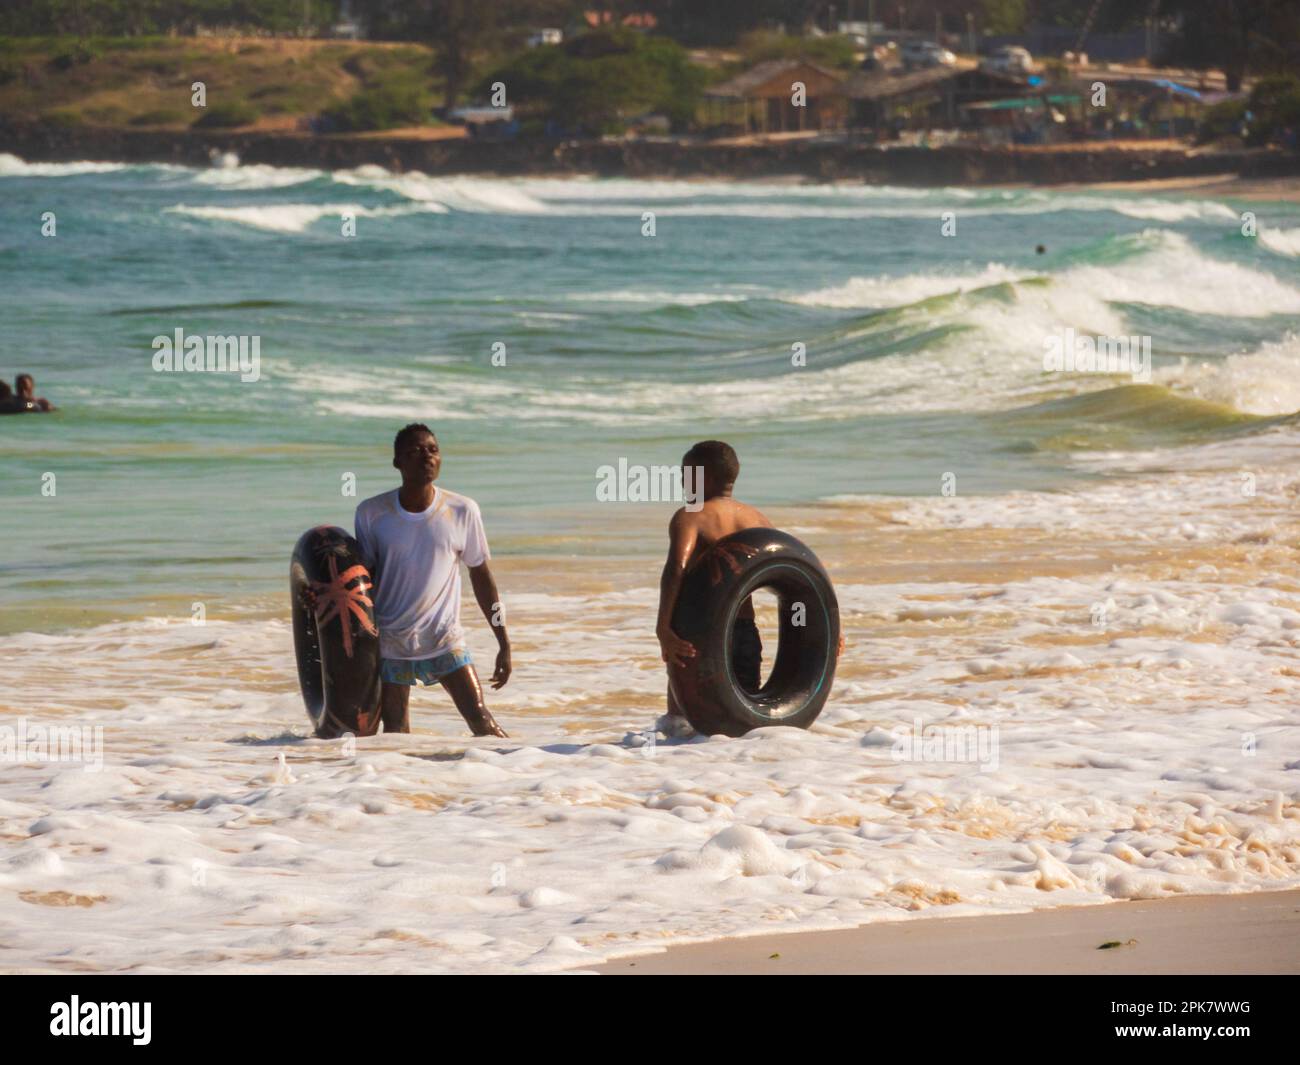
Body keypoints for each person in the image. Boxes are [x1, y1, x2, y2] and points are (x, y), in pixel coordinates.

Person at [350, 423, 511, 737]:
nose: (426, 456)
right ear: (397, 462)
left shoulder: (462, 510)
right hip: (392, 640)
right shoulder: (372, 513)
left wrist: (503, 642)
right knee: (396, 732)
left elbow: (481, 577)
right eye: (415, 451)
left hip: (443, 638)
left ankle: (517, 779)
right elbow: (363, 582)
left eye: (433, 450)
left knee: (481, 720)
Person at [655, 440, 773, 736]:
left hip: (700, 635)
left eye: (686, 473)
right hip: (744, 632)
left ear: (702, 476)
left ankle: (691, 774)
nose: (682, 480)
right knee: (742, 723)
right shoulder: (755, 518)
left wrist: (663, 628)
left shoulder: (691, 515)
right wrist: (831, 626)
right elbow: (796, 569)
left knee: (683, 721)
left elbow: (676, 569)